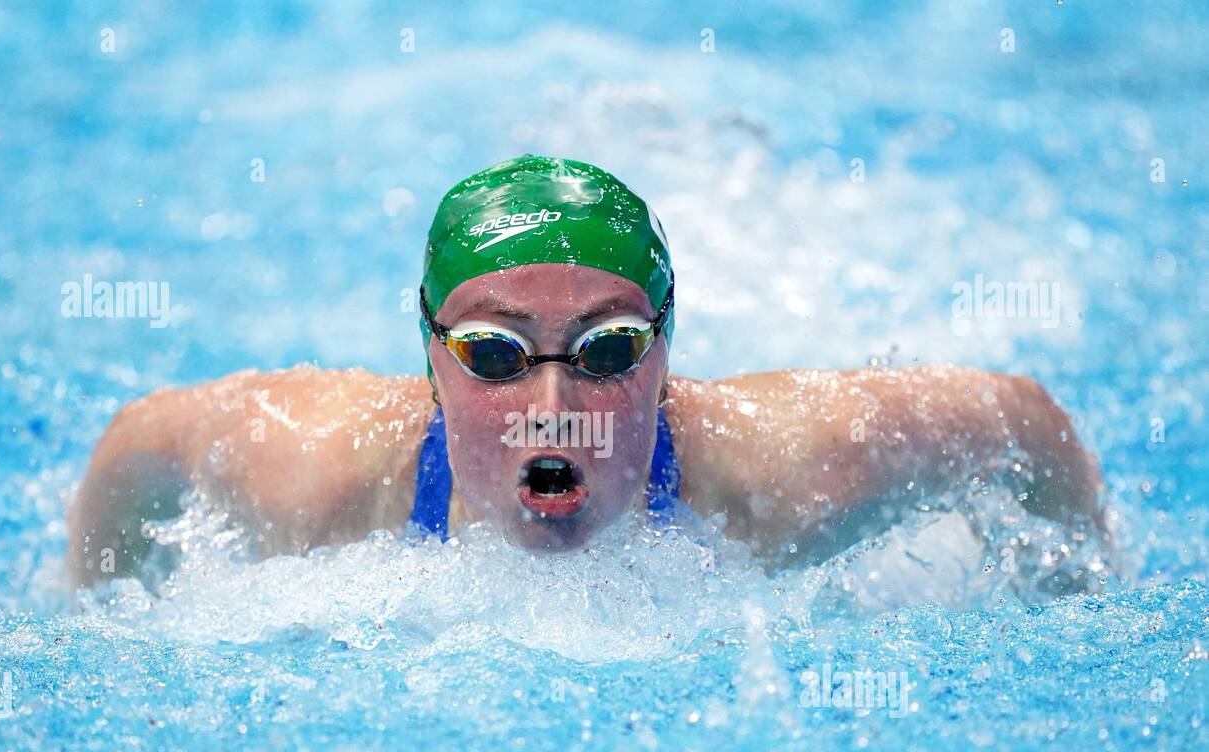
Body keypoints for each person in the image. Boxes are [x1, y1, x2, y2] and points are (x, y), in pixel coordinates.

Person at [66, 155, 1107, 587]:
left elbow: (1018, 419)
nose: (551, 410)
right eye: (494, 356)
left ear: (666, 349)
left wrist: (1066, 600)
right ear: (428, 357)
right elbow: (141, 441)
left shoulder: (786, 473)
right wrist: (99, 614)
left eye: (608, 350)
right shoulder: (316, 474)